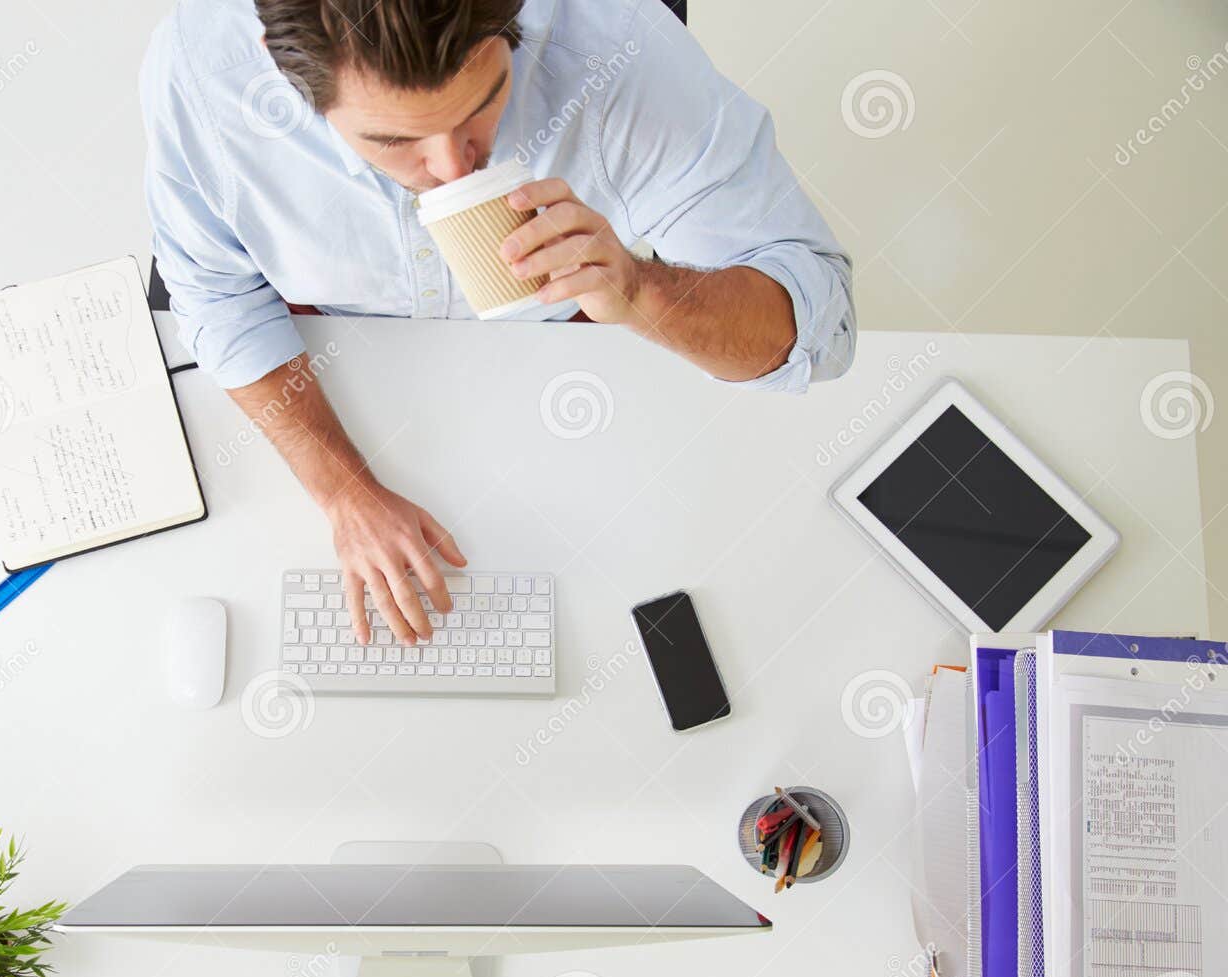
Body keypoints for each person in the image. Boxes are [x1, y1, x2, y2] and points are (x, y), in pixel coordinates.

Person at [141, 0, 854, 647]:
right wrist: (344, 492)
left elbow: (818, 320)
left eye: (483, 103)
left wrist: (645, 291)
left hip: (568, 355)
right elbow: (217, 299)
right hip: (333, 357)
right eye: (395, 140)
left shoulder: (620, 43)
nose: (453, 167)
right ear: (281, 68)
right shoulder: (203, 73)